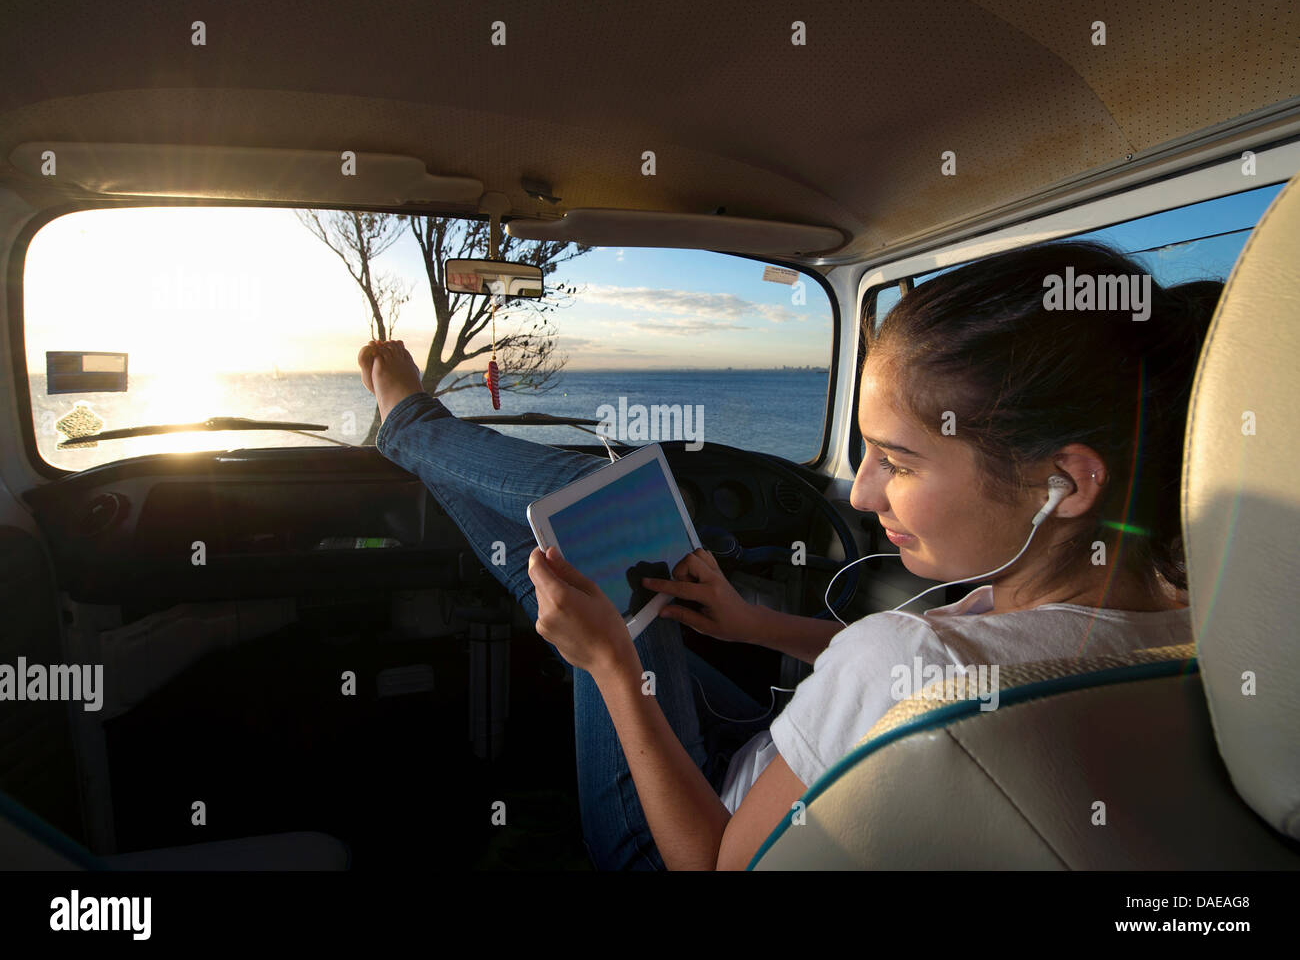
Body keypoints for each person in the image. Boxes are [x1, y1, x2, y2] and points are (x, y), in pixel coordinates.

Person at [358, 239, 1214, 870]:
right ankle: (417, 427)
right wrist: (750, 620)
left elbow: (711, 862)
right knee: (582, 548)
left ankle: (412, 426)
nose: (864, 494)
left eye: (900, 461)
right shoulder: (1189, 626)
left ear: (1063, 482)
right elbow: (889, 683)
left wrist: (616, 667)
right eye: (865, 452)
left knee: (587, 537)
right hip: (776, 753)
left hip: (673, 838)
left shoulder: (908, 654)